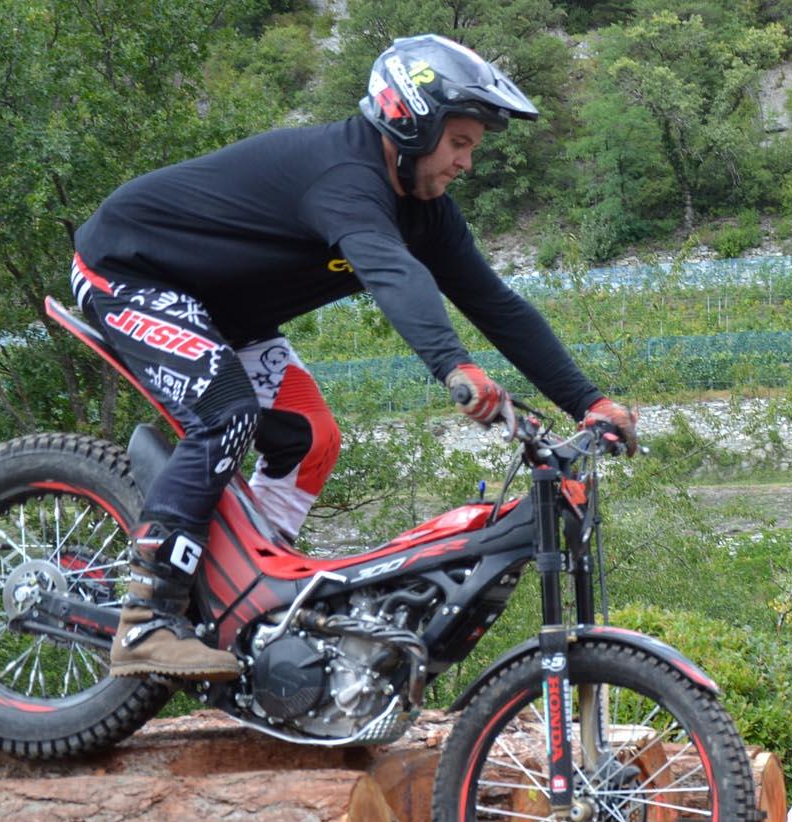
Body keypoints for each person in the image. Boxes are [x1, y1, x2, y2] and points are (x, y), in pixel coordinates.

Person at [70, 34, 639, 680]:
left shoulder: (427, 211)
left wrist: (588, 401)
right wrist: (453, 366)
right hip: (130, 271)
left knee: (313, 439)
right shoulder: (345, 176)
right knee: (227, 413)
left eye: (473, 147)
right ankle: (145, 618)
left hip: (225, 315)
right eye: (459, 142)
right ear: (413, 123)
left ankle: (246, 601)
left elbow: (496, 304)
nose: (467, 162)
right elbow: (394, 273)